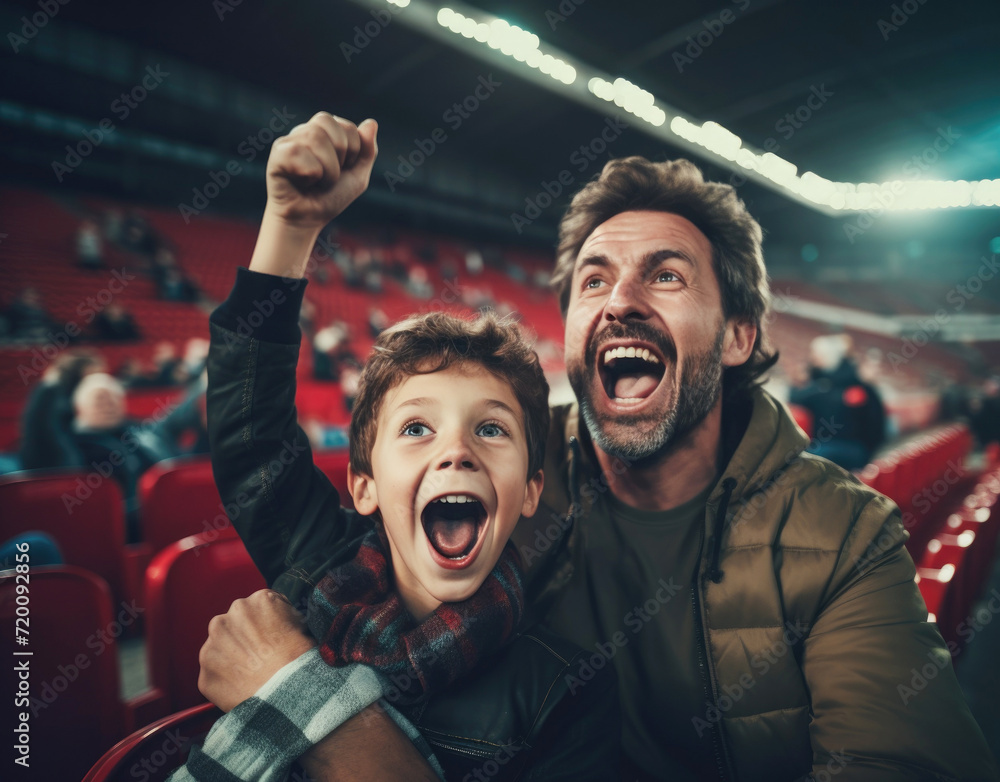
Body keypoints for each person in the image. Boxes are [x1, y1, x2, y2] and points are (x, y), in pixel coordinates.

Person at [195, 116, 1000, 781]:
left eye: (666, 276)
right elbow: (257, 451)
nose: (620, 301)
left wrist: (312, 707)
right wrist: (289, 232)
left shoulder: (846, 535)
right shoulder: (507, 460)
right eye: (593, 280)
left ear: (737, 336)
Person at [173, 112, 618, 781]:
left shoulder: (567, 691)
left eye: (491, 429)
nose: (456, 451)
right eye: (416, 429)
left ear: (530, 490)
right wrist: (290, 228)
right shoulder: (314, 561)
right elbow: (251, 432)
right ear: (364, 485)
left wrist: (293, 686)